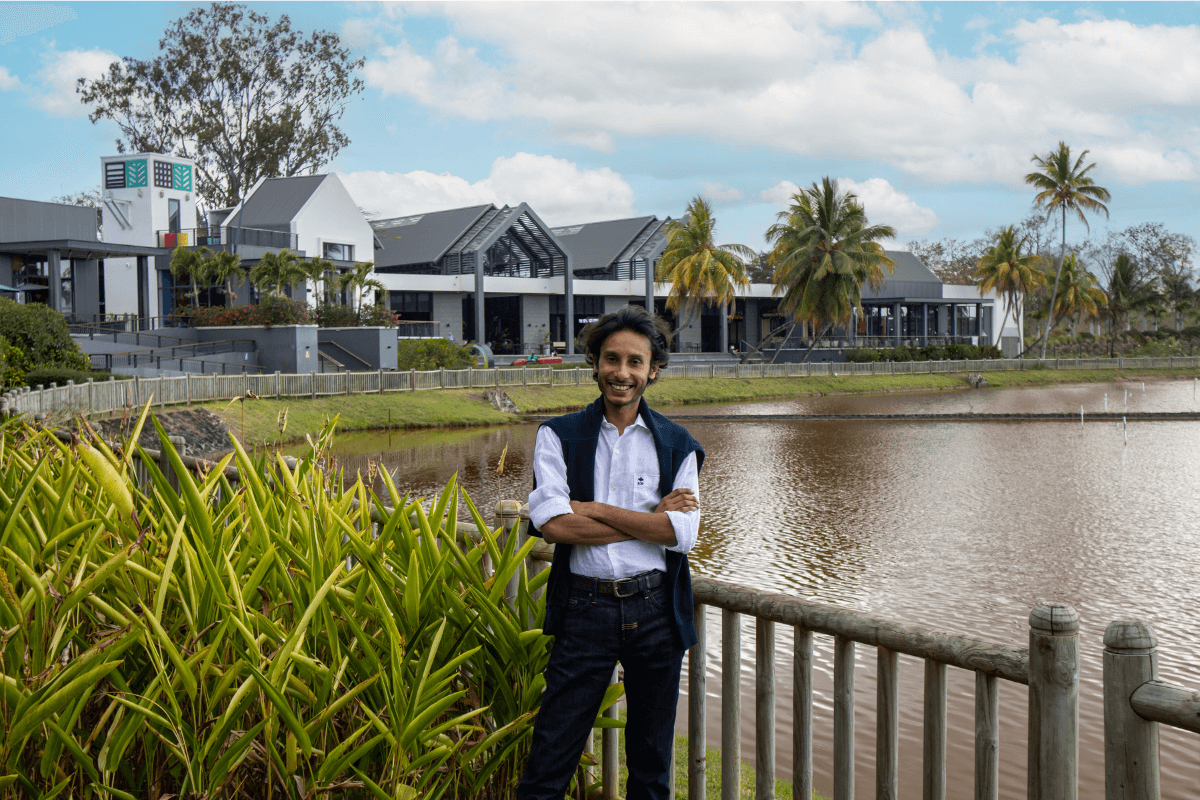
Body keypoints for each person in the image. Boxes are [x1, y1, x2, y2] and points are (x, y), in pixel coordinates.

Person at [517, 305, 703, 800]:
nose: (622, 373)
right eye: (612, 359)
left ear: (653, 370)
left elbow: (683, 534)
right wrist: (649, 522)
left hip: (657, 611)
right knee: (550, 759)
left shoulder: (678, 445)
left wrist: (593, 509)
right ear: (595, 363)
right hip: (585, 609)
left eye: (635, 362)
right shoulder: (557, 436)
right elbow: (555, 526)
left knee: (651, 766)